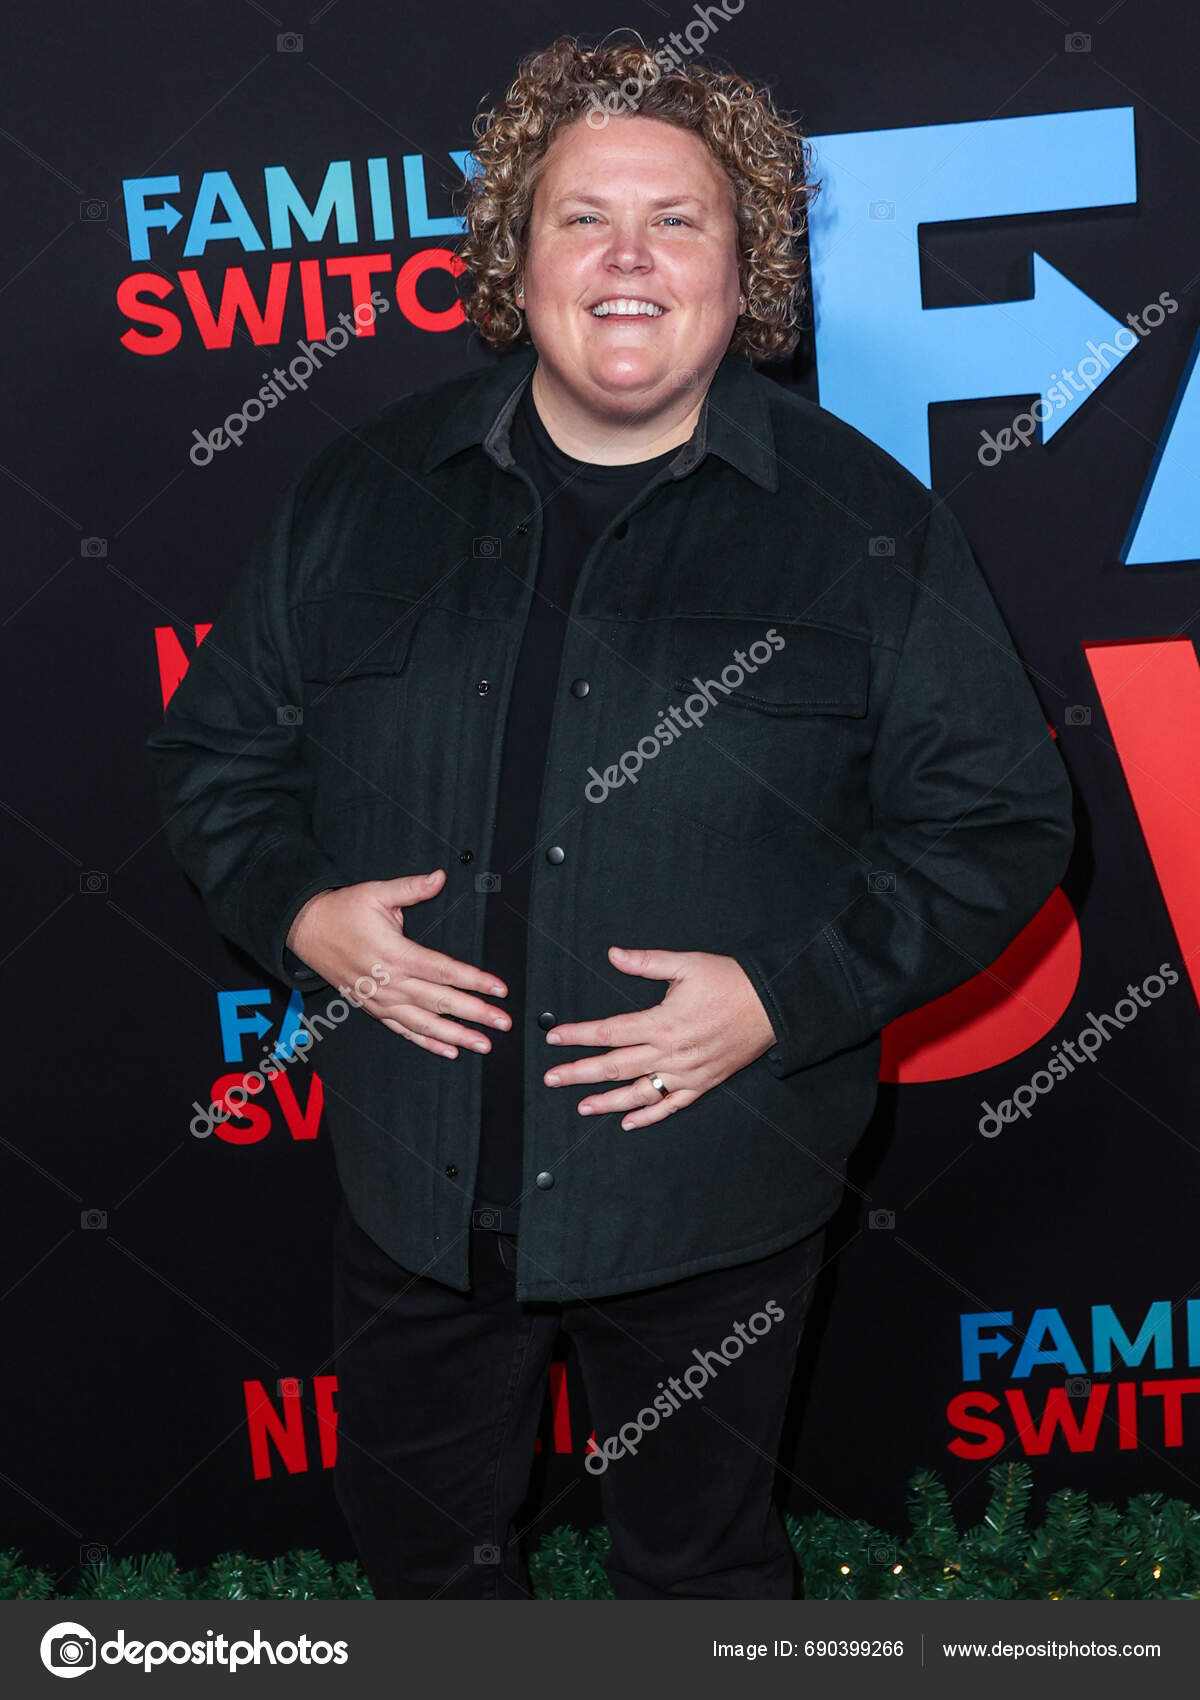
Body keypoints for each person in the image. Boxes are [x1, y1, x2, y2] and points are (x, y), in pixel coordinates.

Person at [144, 35, 1075, 1600]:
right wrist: (299, 909)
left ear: (747, 267)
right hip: (412, 1192)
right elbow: (216, 758)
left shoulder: (867, 530)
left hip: (714, 1186)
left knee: (699, 1571)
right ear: (518, 255)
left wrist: (787, 997)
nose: (629, 258)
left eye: (680, 220)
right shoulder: (360, 491)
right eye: (583, 217)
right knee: (427, 1561)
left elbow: (1000, 822)